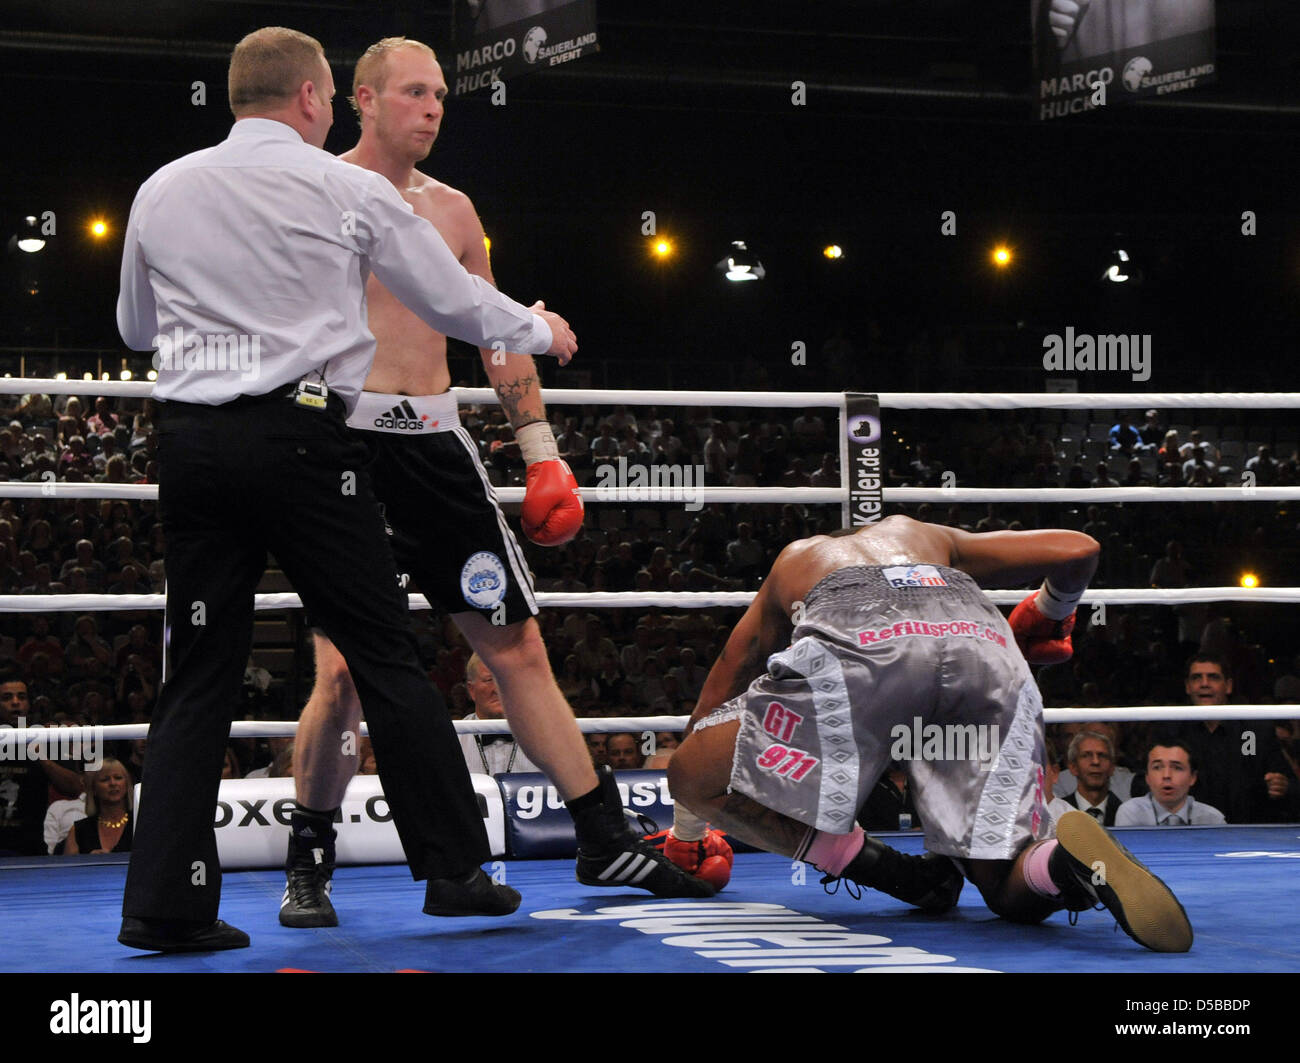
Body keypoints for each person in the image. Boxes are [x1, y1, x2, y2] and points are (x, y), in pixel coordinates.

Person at [114, 26, 577, 954]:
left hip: (195, 447)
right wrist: (536, 329)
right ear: (318, 99)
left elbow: (134, 327)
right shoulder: (346, 186)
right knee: (381, 650)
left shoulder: (162, 187)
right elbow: (452, 301)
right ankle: (452, 871)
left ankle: (165, 905)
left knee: (198, 672)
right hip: (304, 440)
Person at [278, 36, 709, 931]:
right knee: (344, 674)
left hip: (436, 446)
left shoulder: (456, 209)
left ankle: (602, 834)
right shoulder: (315, 193)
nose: (432, 109)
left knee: (517, 648)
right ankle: (308, 861)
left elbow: (495, 334)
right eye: (413, 93)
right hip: (347, 447)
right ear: (362, 97)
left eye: (440, 95)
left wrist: (541, 449)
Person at [666, 514, 1193, 952]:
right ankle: (1065, 865)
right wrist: (1049, 615)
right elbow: (1079, 548)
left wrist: (688, 833)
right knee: (1005, 883)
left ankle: (892, 873)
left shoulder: (796, 560)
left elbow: (718, 694)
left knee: (694, 774)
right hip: (982, 646)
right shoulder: (929, 535)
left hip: (861, 647)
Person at [458, 654, 539, 775]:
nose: (498, 689)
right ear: (472, 690)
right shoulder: (456, 738)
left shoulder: (542, 738)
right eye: (489, 680)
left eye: (505, 679)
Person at [1116, 739, 1226, 826]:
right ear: (1147, 777)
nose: (1166, 775)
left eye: (1177, 768)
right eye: (1157, 767)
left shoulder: (1212, 819)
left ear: (1192, 777)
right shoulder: (1131, 813)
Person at [65, 758, 134, 854]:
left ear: (127, 785)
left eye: (118, 778)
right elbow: (68, 868)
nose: (113, 783)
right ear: (93, 789)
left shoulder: (141, 825)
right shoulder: (79, 831)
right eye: (105, 779)